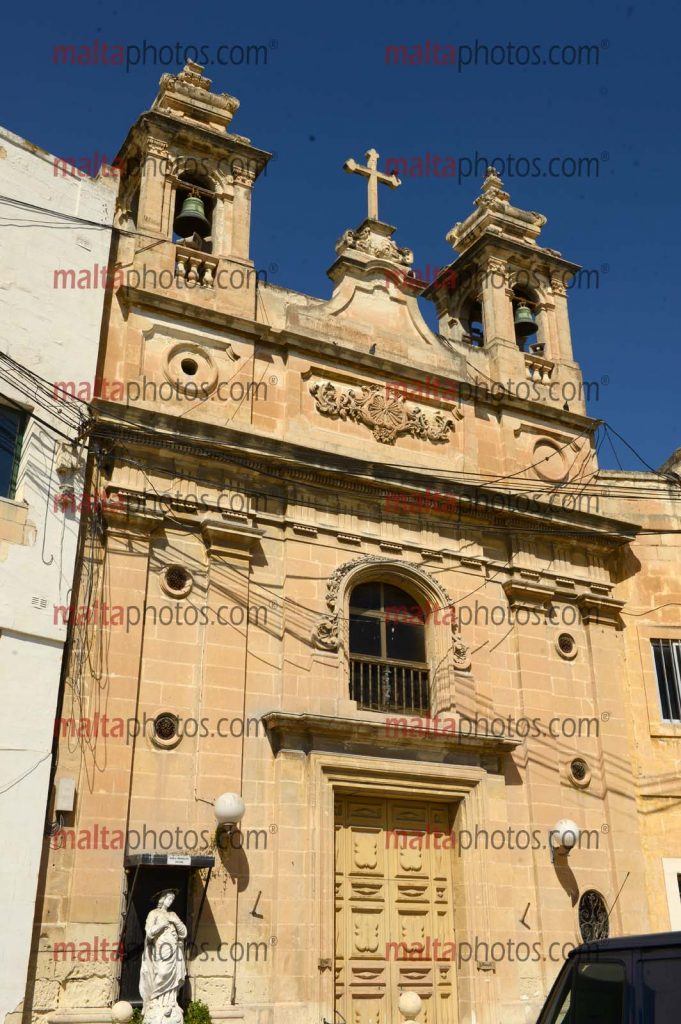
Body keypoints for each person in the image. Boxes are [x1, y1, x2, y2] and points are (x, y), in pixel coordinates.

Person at [139, 888, 187, 1024]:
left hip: (174, 951)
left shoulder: (173, 914)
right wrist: (160, 925)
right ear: (162, 899)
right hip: (160, 950)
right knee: (161, 973)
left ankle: (170, 1003)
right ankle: (155, 1001)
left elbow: (184, 933)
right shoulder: (153, 913)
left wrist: (176, 922)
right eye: (169, 898)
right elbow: (149, 933)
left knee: (173, 976)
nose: (171, 901)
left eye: (172, 899)